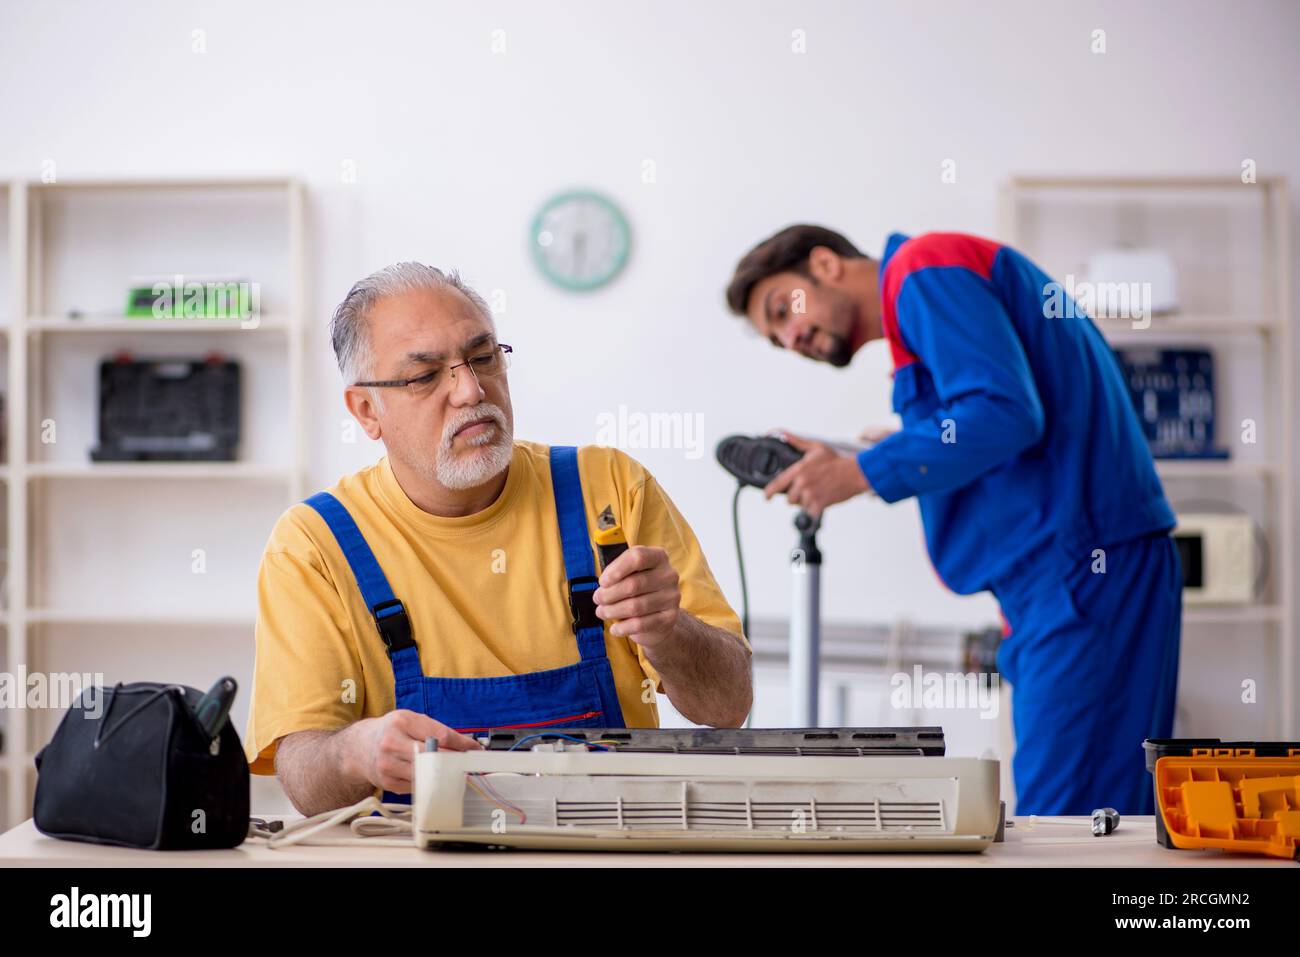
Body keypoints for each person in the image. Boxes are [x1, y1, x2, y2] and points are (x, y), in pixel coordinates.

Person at [247, 262, 751, 814]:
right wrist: (354, 753)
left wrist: (667, 630)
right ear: (367, 410)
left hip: (612, 847)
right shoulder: (315, 544)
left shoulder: (607, 489)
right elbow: (301, 779)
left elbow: (727, 705)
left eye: (483, 357)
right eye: (425, 375)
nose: (469, 390)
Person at [724, 225, 1180, 816]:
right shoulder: (928, 294)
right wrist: (866, 457)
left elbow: (1005, 412)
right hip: (1069, 577)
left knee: (1069, 819)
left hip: (1080, 574)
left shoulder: (924, 266)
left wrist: (863, 474)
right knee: (1105, 809)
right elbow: (998, 428)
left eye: (784, 309)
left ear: (825, 264)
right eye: (779, 340)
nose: (793, 336)